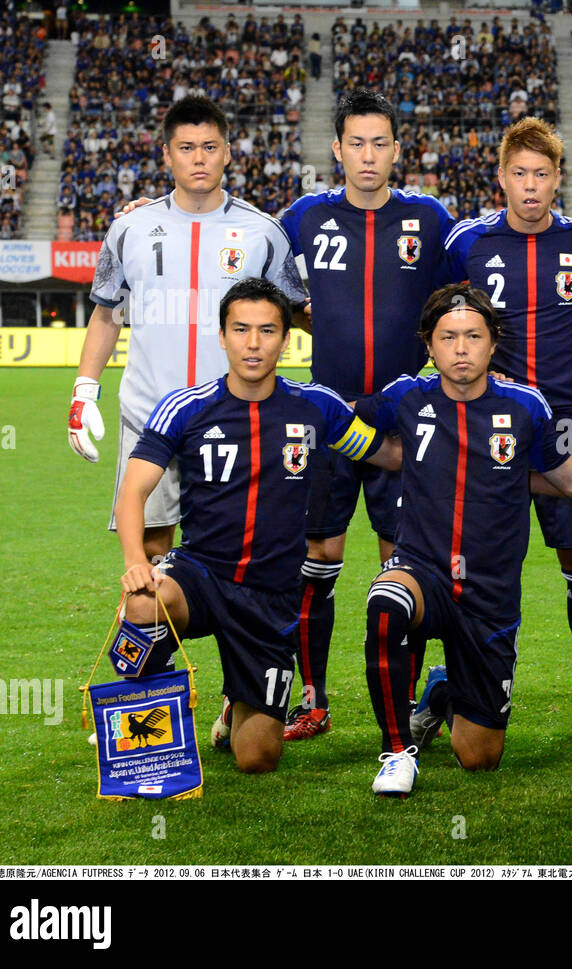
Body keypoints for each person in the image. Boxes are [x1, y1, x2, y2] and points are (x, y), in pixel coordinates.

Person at [115, 278, 398, 775]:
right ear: (221, 336)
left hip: (271, 596)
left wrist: (452, 424)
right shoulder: (185, 407)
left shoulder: (319, 408)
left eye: (267, 330)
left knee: (258, 759)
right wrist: (138, 564)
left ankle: (236, 702)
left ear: (286, 338)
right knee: (144, 603)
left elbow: (384, 454)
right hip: (199, 575)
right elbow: (132, 492)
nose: (253, 343)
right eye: (240, 329)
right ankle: (140, 738)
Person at [357, 285, 572, 797]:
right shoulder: (406, 398)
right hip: (423, 571)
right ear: (429, 346)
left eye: (473, 337)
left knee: (479, 759)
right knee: (386, 600)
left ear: (493, 342)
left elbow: (569, 480)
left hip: (489, 596)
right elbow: (347, 422)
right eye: (449, 337)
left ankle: (443, 693)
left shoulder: (526, 406)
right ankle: (395, 753)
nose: (461, 349)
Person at [276, 90, 456, 742]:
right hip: (326, 419)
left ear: (398, 151)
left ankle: (406, 704)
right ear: (338, 149)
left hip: (403, 426)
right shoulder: (304, 217)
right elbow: (236, 241)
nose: (369, 155)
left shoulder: (430, 220)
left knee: (398, 564)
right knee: (315, 557)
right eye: (358, 143)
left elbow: (485, 262)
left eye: (381, 143)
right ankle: (313, 698)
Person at [70, 96, 308, 569]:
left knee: (234, 558)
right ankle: (158, 644)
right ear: (166, 154)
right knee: (150, 555)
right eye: (186, 148)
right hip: (149, 415)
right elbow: (105, 314)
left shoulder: (264, 232)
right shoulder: (130, 228)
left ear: (227, 152)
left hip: (236, 419)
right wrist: (83, 391)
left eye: (209, 147)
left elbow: (298, 312)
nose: (198, 159)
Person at [444, 118, 572, 746]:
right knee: (481, 564)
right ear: (501, 177)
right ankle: (463, 684)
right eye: (519, 174)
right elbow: (441, 316)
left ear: (557, 179)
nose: (530, 186)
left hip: (567, 421)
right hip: (492, 427)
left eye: (542, 175)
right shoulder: (469, 244)